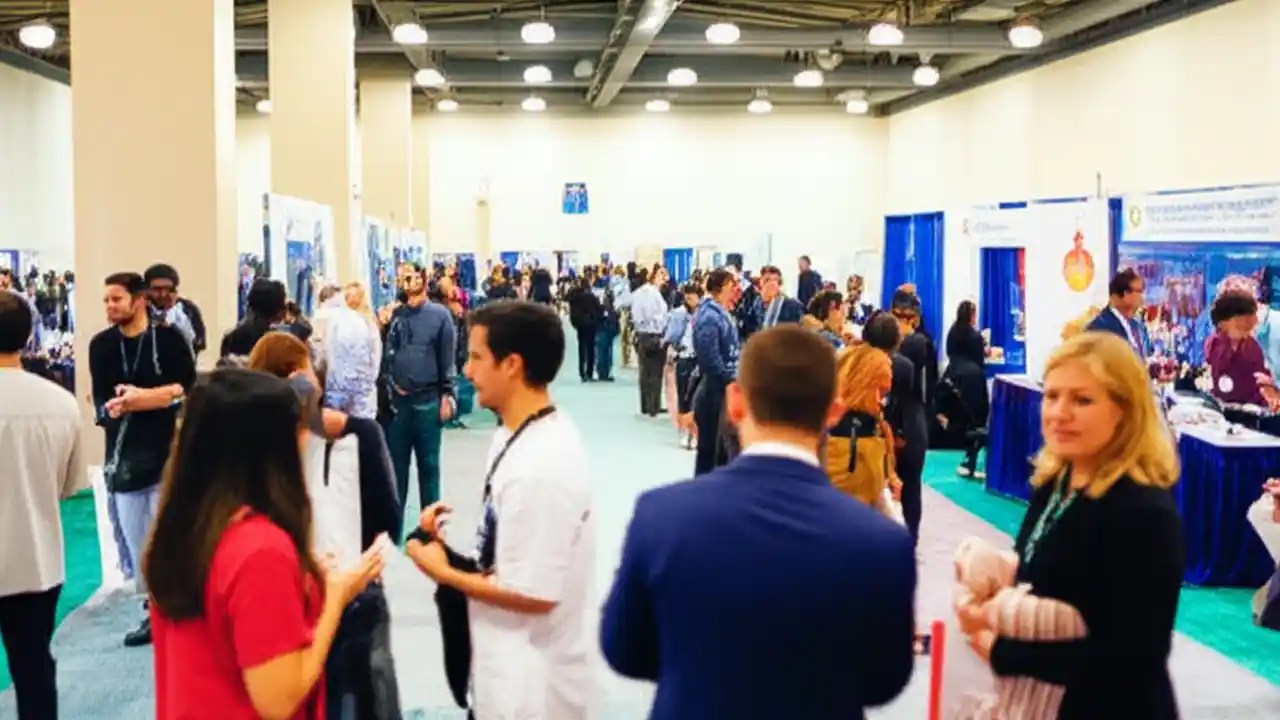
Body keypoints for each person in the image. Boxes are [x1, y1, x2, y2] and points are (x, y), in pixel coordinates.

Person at [601, 325, 916, 718]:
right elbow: (884, 679)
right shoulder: (883, 543)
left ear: (735, 402)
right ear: (834, 411)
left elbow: (625, 651)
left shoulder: (660, 516)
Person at [956, 332, 1183, 719]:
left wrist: (1001, 648)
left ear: (1124, 411)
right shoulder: (1056, 481)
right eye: (1052, 395)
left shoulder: (1143, 513)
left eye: (1082, 399)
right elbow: (1042, 576)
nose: (1059, 412)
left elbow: (1132, 660)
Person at [146, 369, 384, 720]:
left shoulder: (188, 528)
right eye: (299, 429)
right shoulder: (260, 550)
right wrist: (335, 596)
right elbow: (279, 700)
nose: (307, 439)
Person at [406, 301, 596, 719]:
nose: (467, 371)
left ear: (512, 364)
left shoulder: (542, 466)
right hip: (500, 673)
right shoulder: (514, 435)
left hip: (532, 694)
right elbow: (505, 556)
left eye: (476, 358)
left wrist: (440, 570)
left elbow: (533, 592)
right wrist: (447, 550)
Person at [88, 272, 197, 647]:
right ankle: (156, 611)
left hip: (170, 455)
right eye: (106, 300)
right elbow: (100, 401)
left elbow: (187, 389)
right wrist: (118, 407)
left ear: (138, 300)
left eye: (116, 299)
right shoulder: (101, 346)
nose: (109, 306)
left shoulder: (168, 340)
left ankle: (181, 607)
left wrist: (145, 398)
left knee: (175, 537)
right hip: (125, 461)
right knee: (139, 547)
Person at [0, 292, 86, 720]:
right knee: (33, 668)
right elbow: (69, 487)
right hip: (36, 561)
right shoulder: (62, 404)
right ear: (29, 334)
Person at [383, 264, 457, 512]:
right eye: (402, 277)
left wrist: (448, 394)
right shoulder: (395, 316)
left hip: (428, 402)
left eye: (412, 277)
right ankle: (393, 534)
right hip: (398, 406)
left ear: (424, 280)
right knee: (395, 473)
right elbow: (386, 356)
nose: (407, 282)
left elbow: (447, 357)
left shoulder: (440, 316)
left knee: (429, 469)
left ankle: (431, 533)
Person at [884, 299, 932, 547]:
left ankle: (908, 539)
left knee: (909, 486)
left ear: (912, 319)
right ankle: (907, 539)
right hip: (910, 423)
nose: (898, 321)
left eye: (902, 317)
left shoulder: (912, 349)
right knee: (907, 487)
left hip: (906, 425)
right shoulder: (910, 349)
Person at [691, 268, 742, 474]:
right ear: (720, 288)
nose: (736, 290)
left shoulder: (721, 313)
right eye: (732, 285)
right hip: (715, 394)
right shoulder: (710, 317)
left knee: (720, 454)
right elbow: (709, 359)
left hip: (723, 391)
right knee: (710, 454)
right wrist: (729, 380)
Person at [1204, 290, 1280, 409]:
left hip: (1257, 414)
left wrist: (1272, 388)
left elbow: (1267, 384)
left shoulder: (1258, 344)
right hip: (1223, 412)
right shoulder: (1214, 344)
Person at [941, 300, 990, 478]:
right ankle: (975, 461)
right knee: (978, 421)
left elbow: (949, 352)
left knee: (964, 418)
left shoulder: (952, 332)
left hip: (954, 375)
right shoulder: (975, 336)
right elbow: (980, 360)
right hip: (973, 380)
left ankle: (968, 459)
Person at [144, 263, 207, 356]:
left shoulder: (188, 309)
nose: (163, 294)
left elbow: (198, 341)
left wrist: (171, 311)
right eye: (157, 289)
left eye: (168, 289)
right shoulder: (140, 310)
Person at [631, 266, 670, 415]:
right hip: (654, 334)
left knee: (644, 371)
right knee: (655, 372)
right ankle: (654, 406)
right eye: (662, 275)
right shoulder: (653, 294)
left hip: (641, 334)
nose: (665, 279)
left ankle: (645, 405)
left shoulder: (639, 293)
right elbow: (655, 316)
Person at [1086, 268, 1149, 356]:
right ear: (1120, 295)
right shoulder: (1098, 328)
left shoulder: (1138, 327)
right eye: (1139, 292)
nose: (1142, 299)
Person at [566, 276, 602, 382]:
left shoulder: (575, 296)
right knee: (591, 348)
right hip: (591, 324)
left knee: (581, 347)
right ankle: (589, 372)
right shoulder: (592, 296)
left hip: (579, 324)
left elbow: (567, 298)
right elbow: (598, 309)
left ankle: (582, 372)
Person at [758, 264, 804, 329]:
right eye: (767, 280)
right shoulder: (755, 304)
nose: (771, 284)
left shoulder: (792, 306)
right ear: (761, 283)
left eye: (775, 281)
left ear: (780, 284)